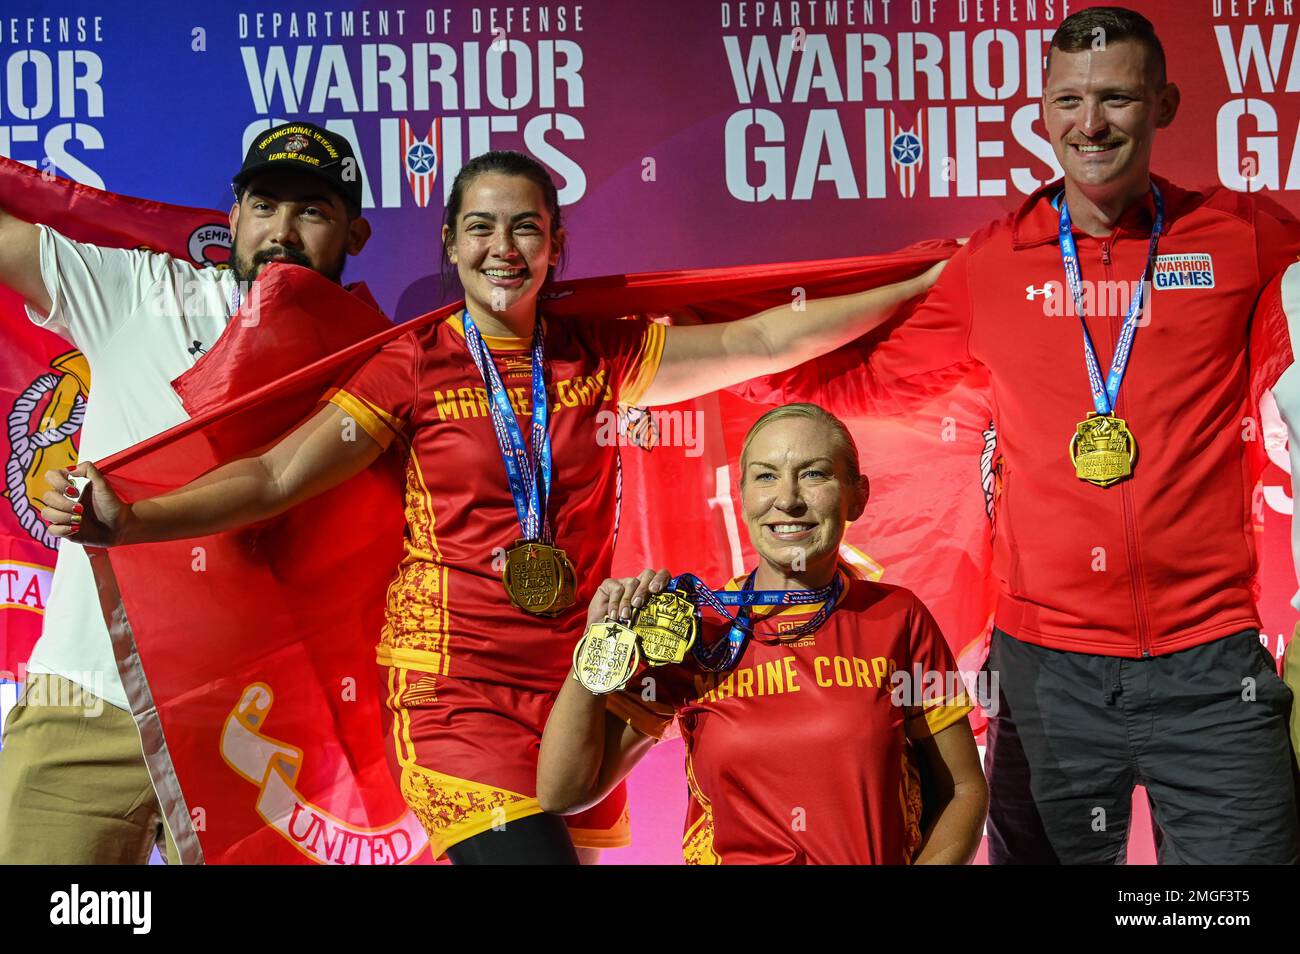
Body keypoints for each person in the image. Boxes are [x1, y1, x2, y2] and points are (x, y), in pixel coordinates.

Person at [41, 150, 947, 864]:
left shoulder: (598, 355)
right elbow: (276, 479)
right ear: (449, 242)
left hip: (585, 686)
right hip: (453, 696)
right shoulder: (414, 365)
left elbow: (761, 336)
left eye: (526, 228)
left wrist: (916, 290)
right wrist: (133, 520)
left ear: (556, 244)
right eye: (480, 227)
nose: (502, 248)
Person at [740, 6, 1300, 863]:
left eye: (1117, 98)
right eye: (1069, 101)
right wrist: (741, 356)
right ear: (1041, 111)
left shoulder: (1239, 236)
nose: (1092, 124)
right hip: (1049, 673)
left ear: (1165, 103)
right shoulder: (995, 262)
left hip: (1213, 666)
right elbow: (868, 376)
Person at [0, 120, 374, 863]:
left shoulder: (376, 355)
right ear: (232, 216)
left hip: (261, 728)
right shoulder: (141, 290)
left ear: (354, 234)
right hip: (88, 699)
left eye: (314, 211)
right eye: (265, 205)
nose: (283, 231)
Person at [537, 403, 988, 864]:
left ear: (858, 495)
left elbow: (962, 789)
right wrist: (600, 641)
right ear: (743, 494)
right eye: (766, 476)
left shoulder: (896, 616)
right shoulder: (697, 629)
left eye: (814, 475)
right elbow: (563, 791)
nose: (788, 499)